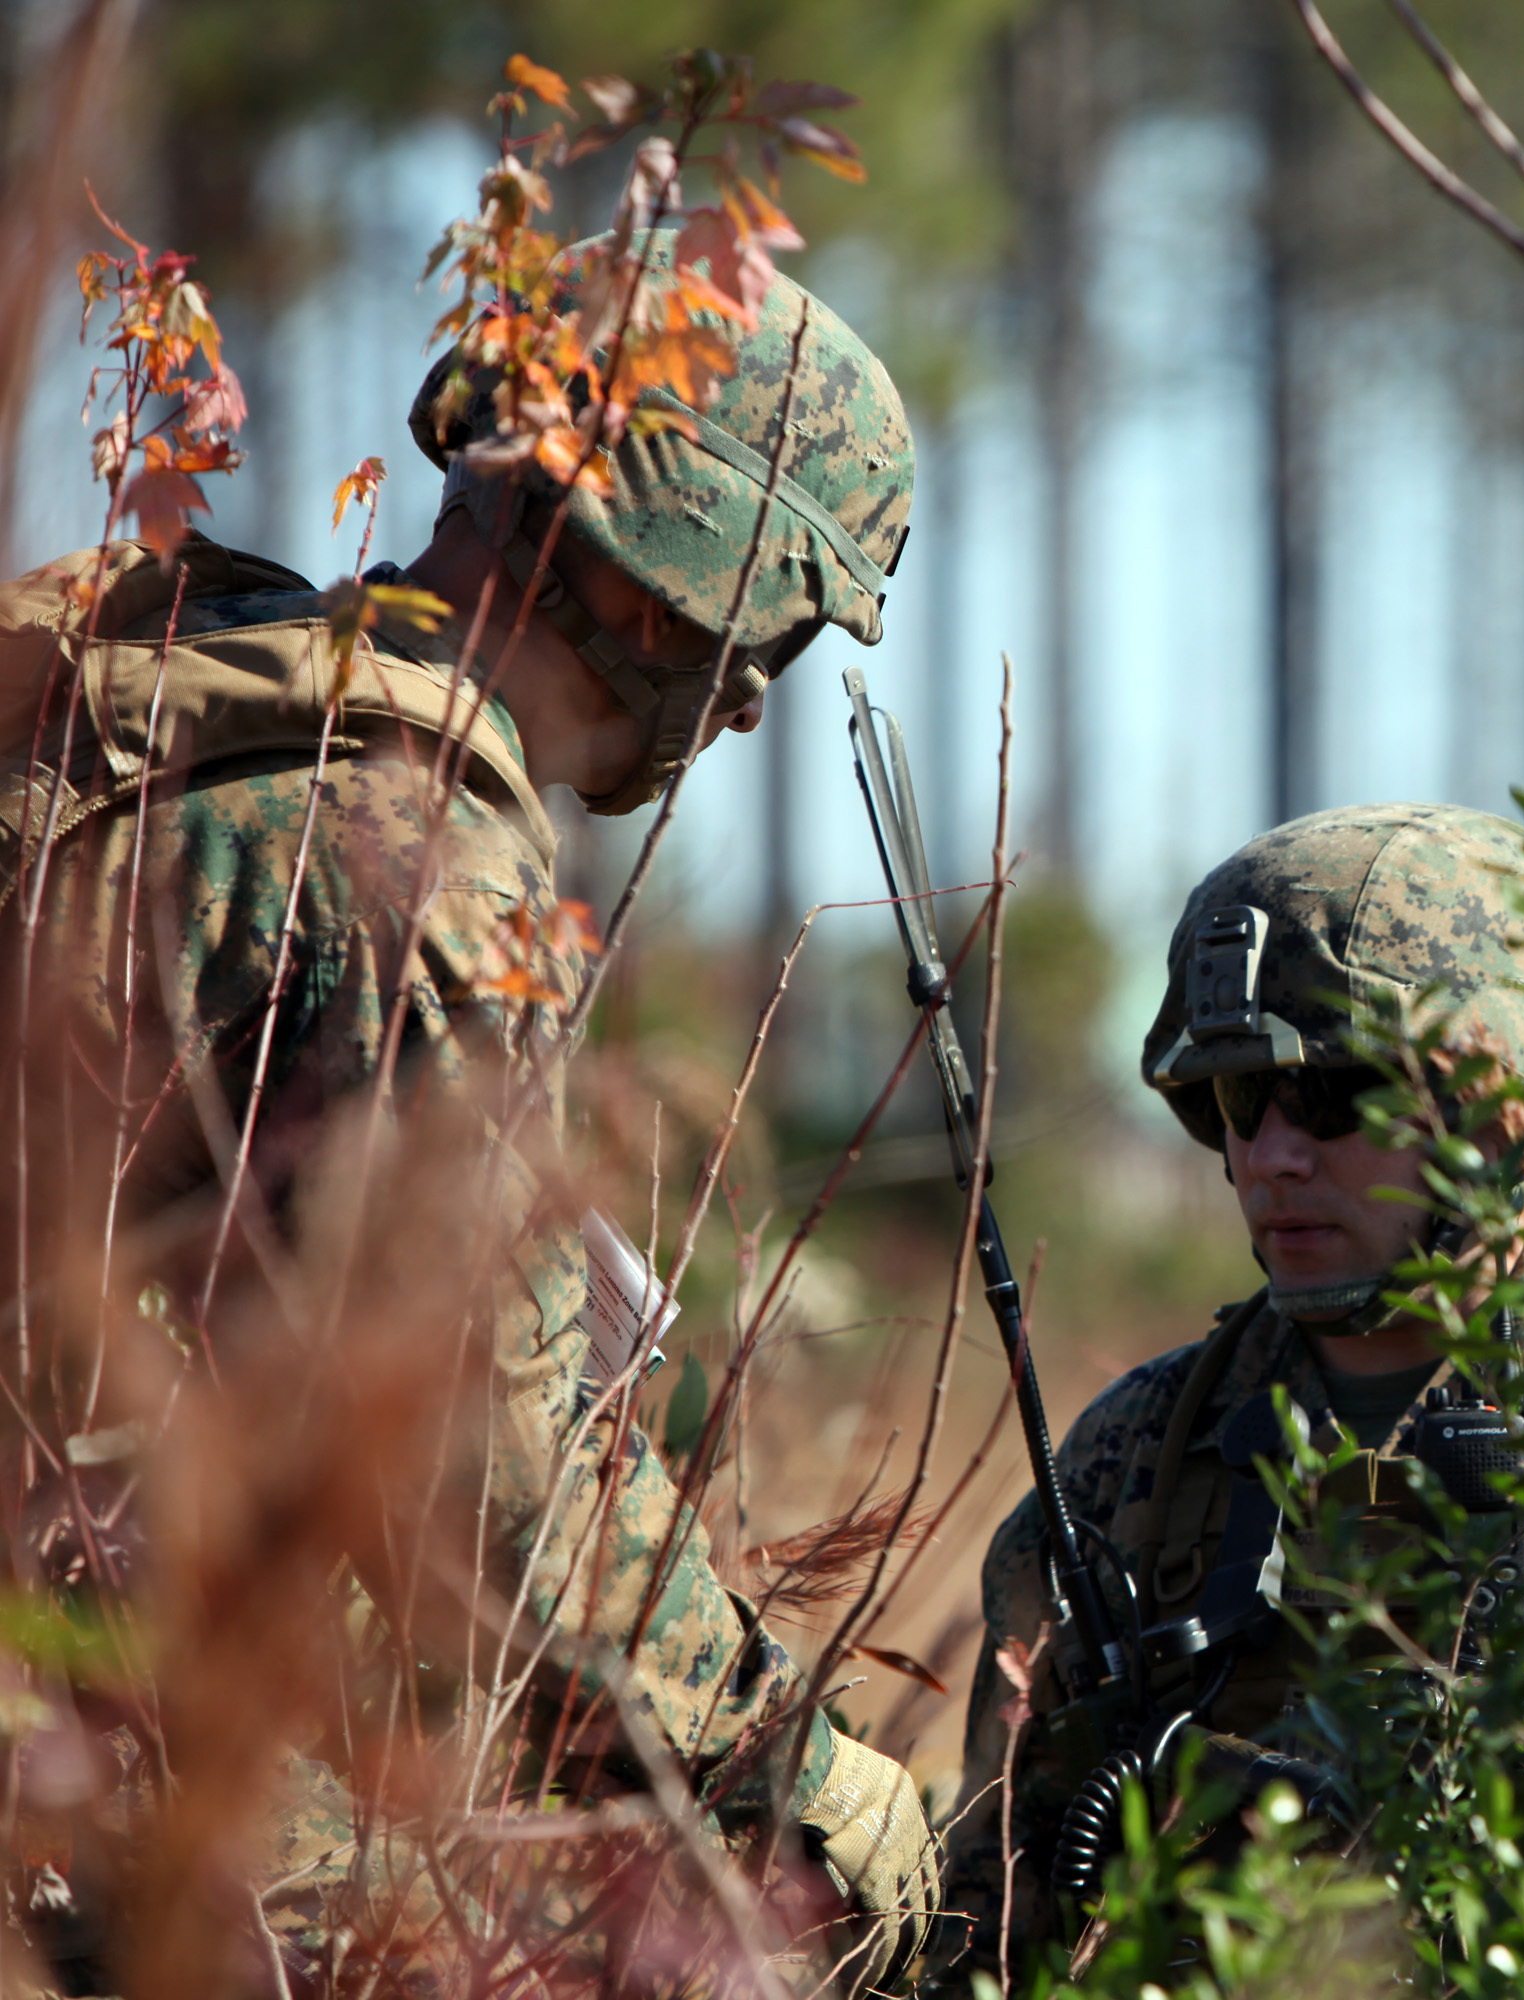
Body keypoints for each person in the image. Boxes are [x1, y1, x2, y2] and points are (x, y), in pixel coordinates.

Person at [0, 238, 935, 1991]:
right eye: (776, 631)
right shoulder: (408, 863)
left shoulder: (190, 686)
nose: (748, 699)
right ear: (674, 580)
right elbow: (493, 1488)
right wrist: (799, 1780)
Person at [932, 802, 1524, 1976]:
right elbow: (992, 1925)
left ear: (1505, 1111)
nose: (1275, 1157)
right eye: (1241, 1104)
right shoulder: (1127, 1461)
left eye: (1339, 1099)